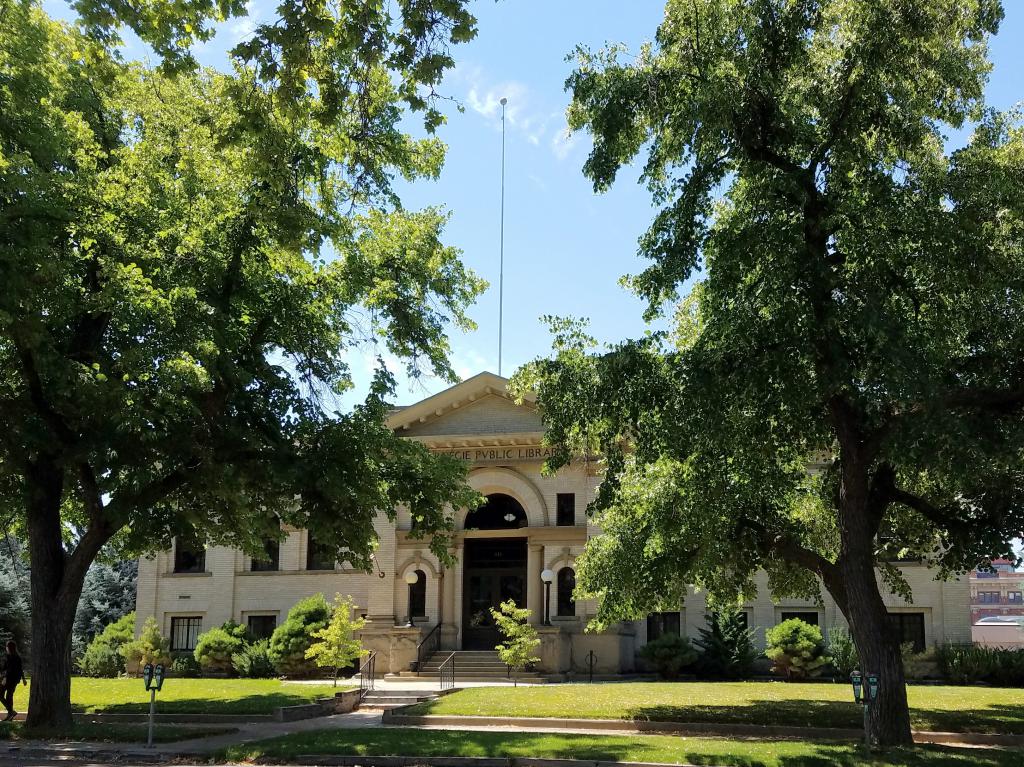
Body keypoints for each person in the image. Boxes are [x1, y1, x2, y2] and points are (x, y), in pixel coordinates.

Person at [2, 640, 27, 722]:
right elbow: (4, 668)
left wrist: (23, 679)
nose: (6, 648)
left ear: (9, 648)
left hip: (12, 680)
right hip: (9, 679)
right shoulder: (8, 656)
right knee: (5, 695)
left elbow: (20, 669)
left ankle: (10, 713)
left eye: (7, 647)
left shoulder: (16, 657)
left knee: (9, 696)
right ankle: (11, 712)